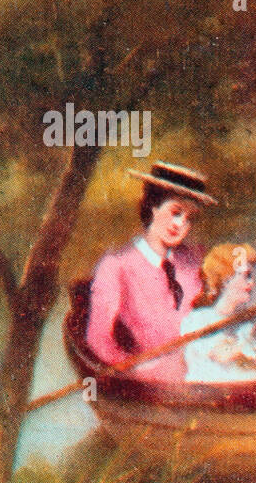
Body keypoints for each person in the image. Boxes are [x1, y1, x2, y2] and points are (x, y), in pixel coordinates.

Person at [86, 161, 216, 383]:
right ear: (153, 206)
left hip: (206, 368)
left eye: (190, 218)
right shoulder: (117, 265)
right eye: (176, 212)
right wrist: (135, 370)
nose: (181, 224)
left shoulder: (195, 259)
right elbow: (98, 339)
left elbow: (215, 316)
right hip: (153, 379)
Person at [181, 243, 256, 383]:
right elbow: (220, 355)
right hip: (208, 392)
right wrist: (249, 345)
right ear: (226, 280)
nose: (252, 283)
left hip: (243, 390)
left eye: (251, 276)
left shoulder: (246, 319)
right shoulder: (199, 319)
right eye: (246, 276)